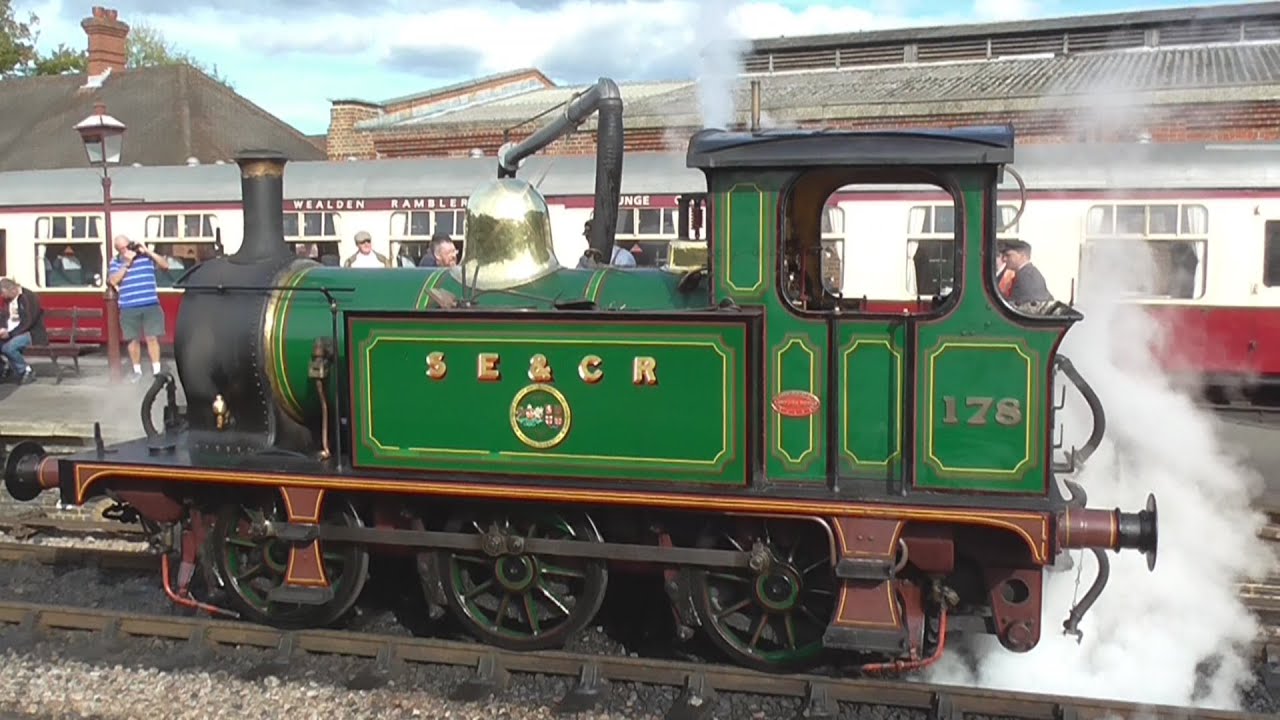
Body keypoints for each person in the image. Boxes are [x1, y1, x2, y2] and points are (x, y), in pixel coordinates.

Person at [108, 235, 169, 383]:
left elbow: (165, 265)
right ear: (119, 250)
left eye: (128, 245)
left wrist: (148, 251)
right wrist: (127, 264)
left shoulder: (145, 258)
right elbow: (113, 280)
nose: (127, 249)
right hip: (128, 306)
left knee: (152, 337)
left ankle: (157, 371)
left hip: (150, 304)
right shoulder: (116, 262)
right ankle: (137, 371)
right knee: (132, 340)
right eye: (123, 248)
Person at [0, 278, 44, 384]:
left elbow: (28, 321)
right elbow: (3, 316)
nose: (2, 296)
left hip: (30, 332)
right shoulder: (8, 300)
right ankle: (4, 368)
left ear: (10, 290)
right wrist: (2, 328)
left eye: (2, 293)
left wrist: (10, 334)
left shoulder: (29, 297)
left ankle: (26, 371)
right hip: (11, 331)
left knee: (8, 348)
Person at [998, 239, 1053, 305]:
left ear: (1022, 256)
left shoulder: (1027, 277)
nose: (1004, 259)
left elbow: (1025, 309)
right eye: (1003, 256)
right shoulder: (1026, 273)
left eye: (1008, 255)